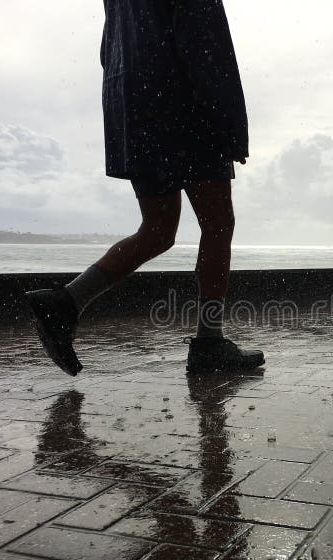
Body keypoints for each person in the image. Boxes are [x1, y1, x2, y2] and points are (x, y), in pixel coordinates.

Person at [24, 0, 264, 376]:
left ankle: (66, 302)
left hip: (135, 107)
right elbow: (205, 46)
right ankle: (209, 344)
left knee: (157, 230)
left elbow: (108, 49)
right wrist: (230, 125)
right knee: (217, 224)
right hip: (186, 107)